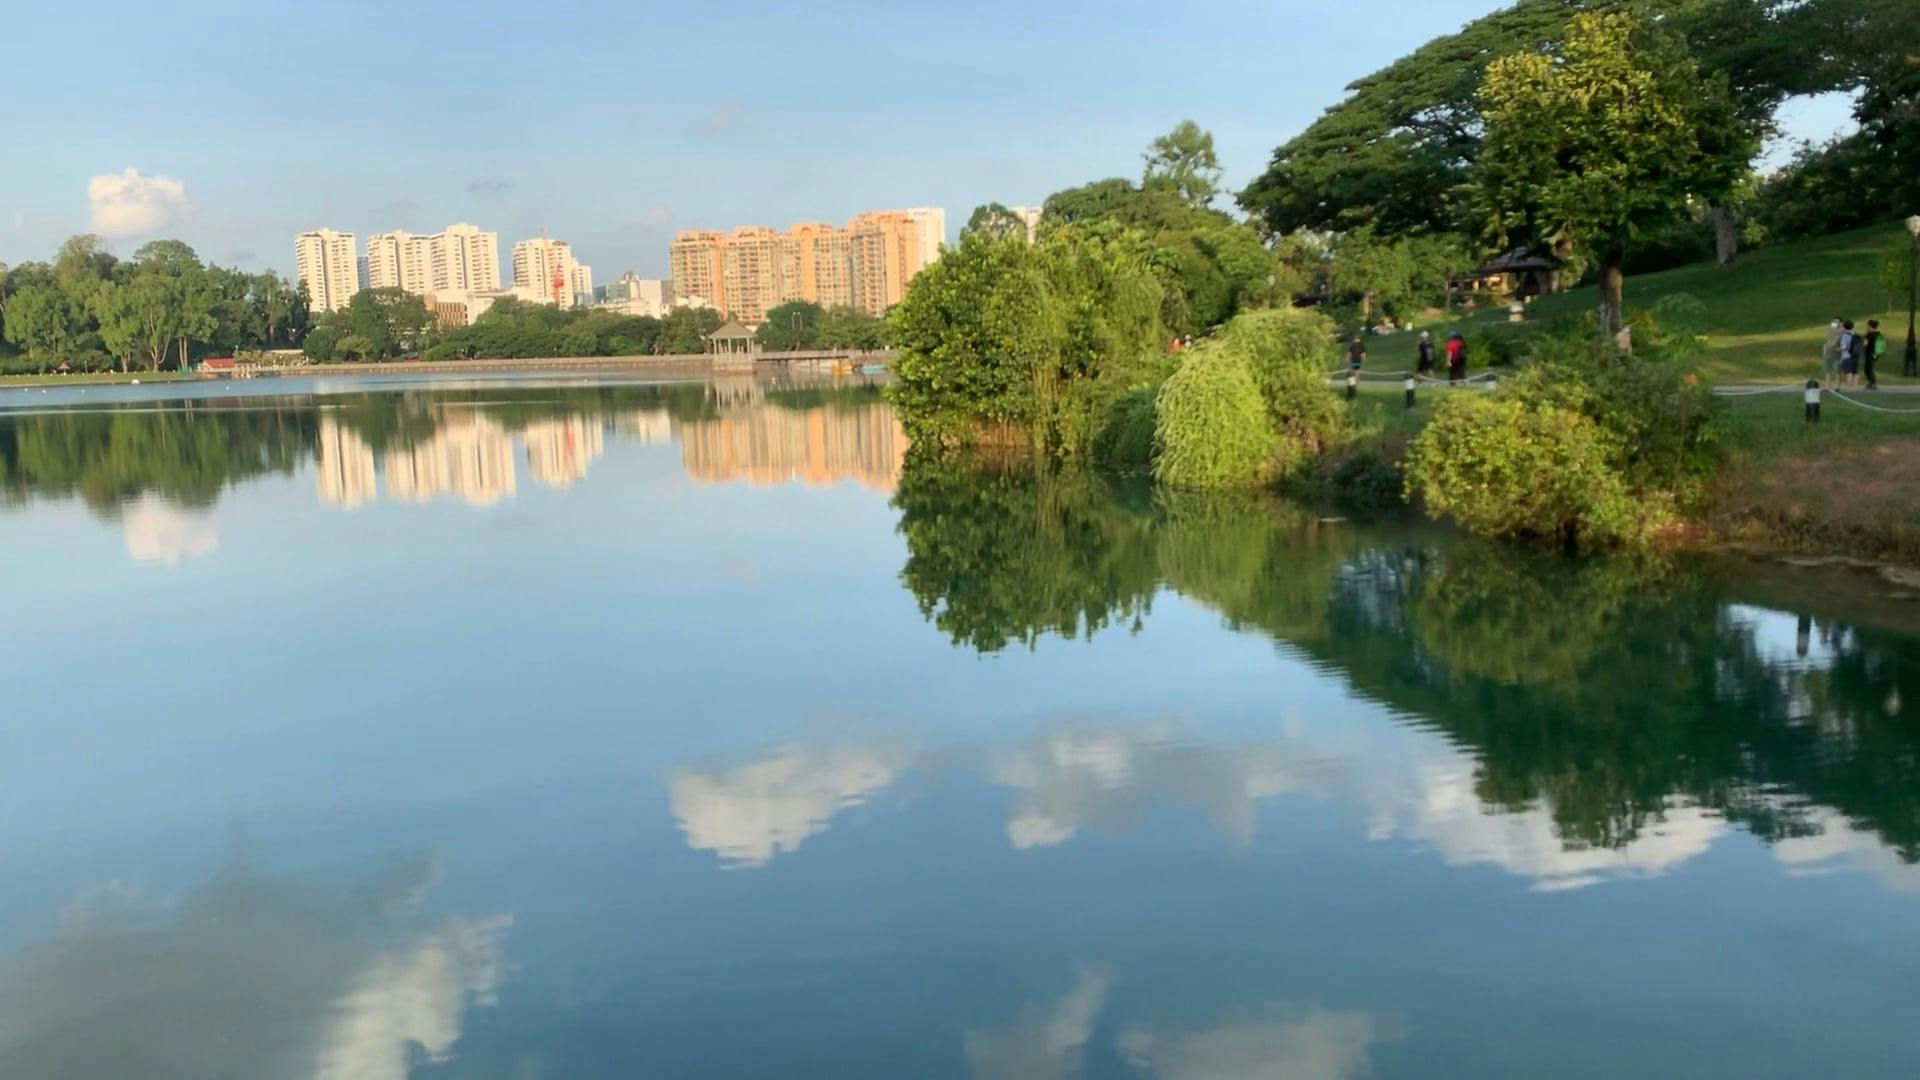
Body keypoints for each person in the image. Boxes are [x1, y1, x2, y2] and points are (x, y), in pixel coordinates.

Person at [1864, 320, 1885, 390]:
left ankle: (1872, 383)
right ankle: (1872, 383)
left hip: (1869, 353)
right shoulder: (1879, 334)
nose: (1867, 327)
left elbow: (1865, 344)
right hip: (1876, 353)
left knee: (1868, 369)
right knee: (1871, 368)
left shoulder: (1869, 334)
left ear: (1870, 326)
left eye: (1867, 326)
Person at [1839, 320, 1860, 389]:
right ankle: (1854, 387)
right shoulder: (1855, 334)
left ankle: (1849, 387)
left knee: (1849, 372)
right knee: (1856, 372)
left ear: (1844, 327)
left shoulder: (1845, 335)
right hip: (1856, 355)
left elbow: (1844, 347)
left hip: (1847, 356)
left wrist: (1839, 349)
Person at [1822, 318, 1843, 384]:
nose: (1835, 323)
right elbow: (1825, 342)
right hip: (1828, 353)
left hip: (1837, 354)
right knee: (1827, 370)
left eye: (1837, 321)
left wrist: (1841, 352)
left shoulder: (1842, 332)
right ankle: (1827, 386)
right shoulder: (1829, 331)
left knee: (1837, 371)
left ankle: (1837, 386)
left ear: (1840, 323)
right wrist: (1824, 351)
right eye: (1834, 321)